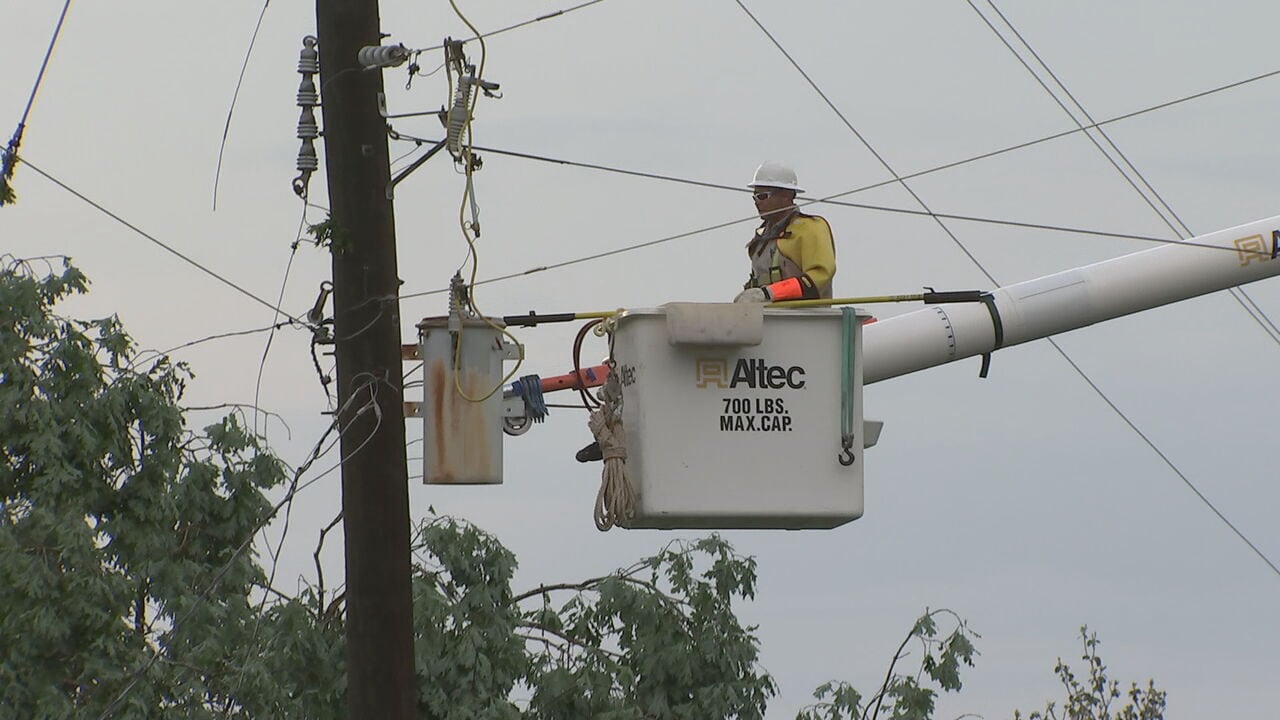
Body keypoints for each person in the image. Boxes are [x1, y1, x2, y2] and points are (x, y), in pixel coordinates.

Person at [733, 161, 836, 303]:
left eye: (762, 196)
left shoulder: (810, 228)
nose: (757, 202)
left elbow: (820, 276)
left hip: (806, 320)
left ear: (786, 195)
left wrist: (770, 293)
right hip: (770, 319)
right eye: (755, 196)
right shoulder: (761, 240)